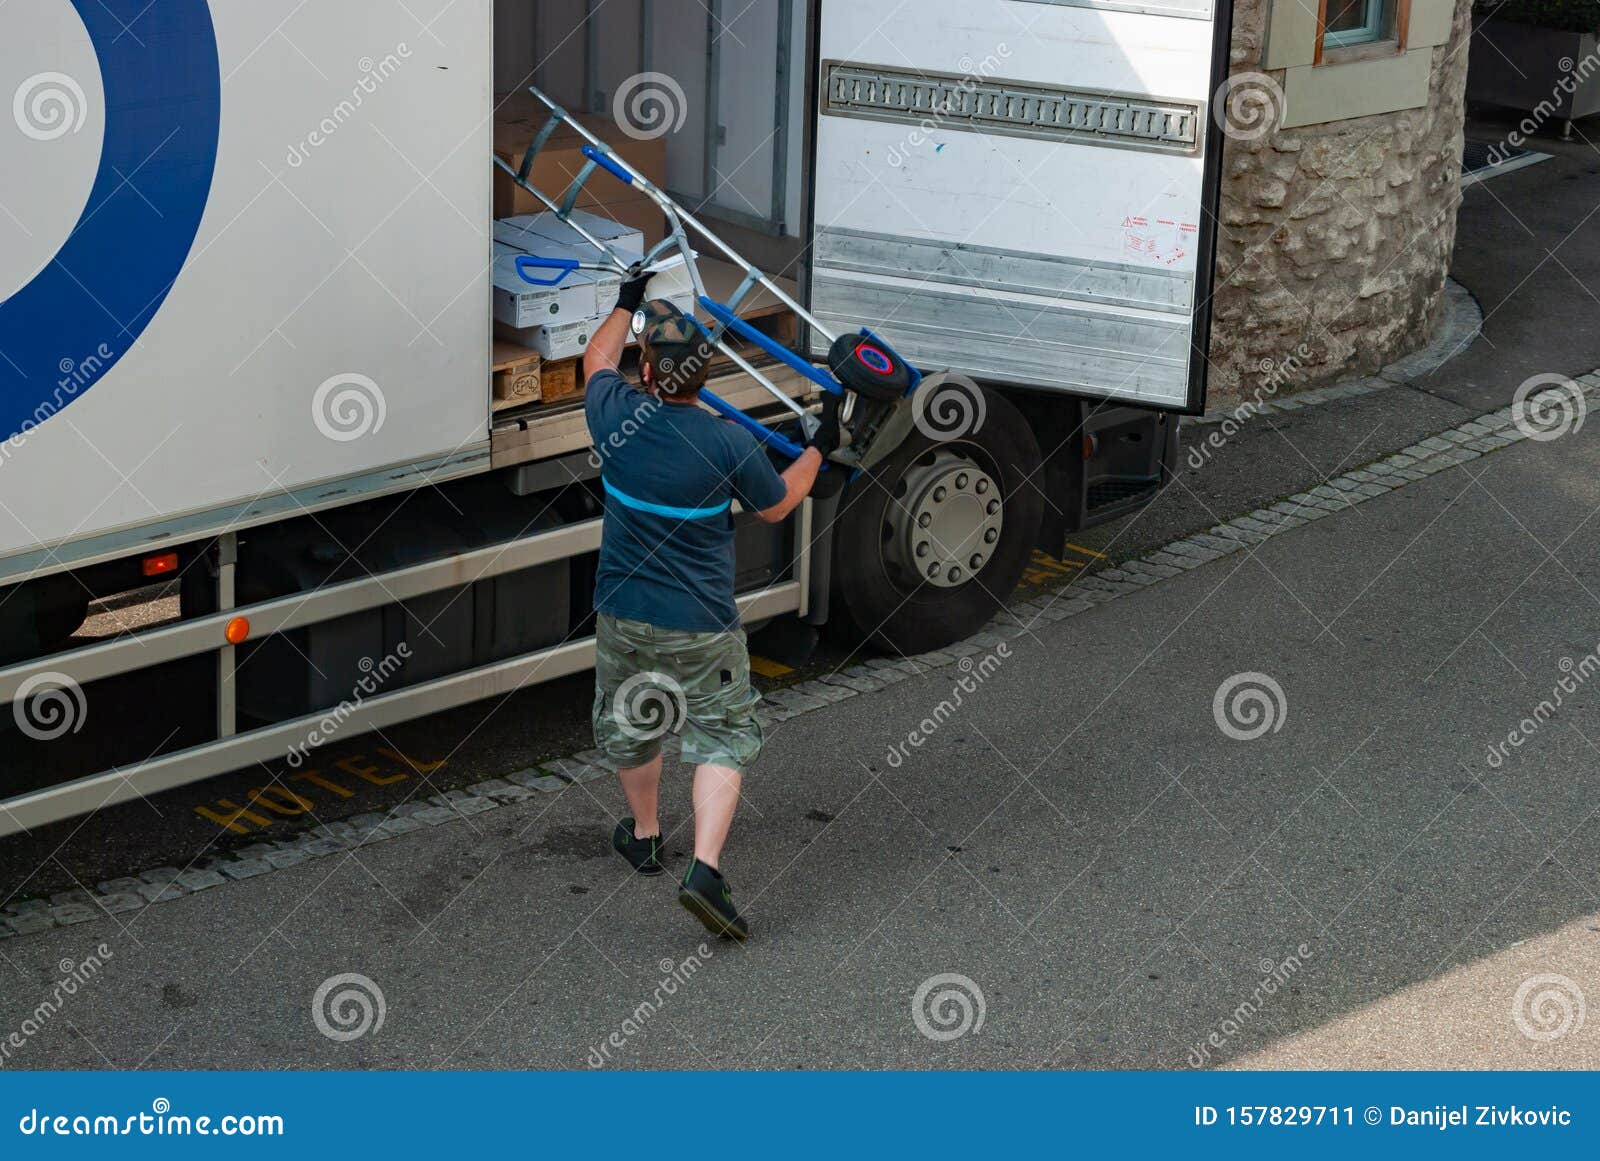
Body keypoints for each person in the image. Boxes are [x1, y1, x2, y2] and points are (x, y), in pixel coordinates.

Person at [582, 271, 841, 941]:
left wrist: (626, 301)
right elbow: (781, 500)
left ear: (646, 368)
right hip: (701, 622)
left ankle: (643, 836)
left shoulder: (612, 413)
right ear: (707, 376)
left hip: (622, 611)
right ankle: (703, 869)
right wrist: (820, 447)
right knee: (720, 734)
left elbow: (595, 359)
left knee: (634, 719)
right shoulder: (726, 442)